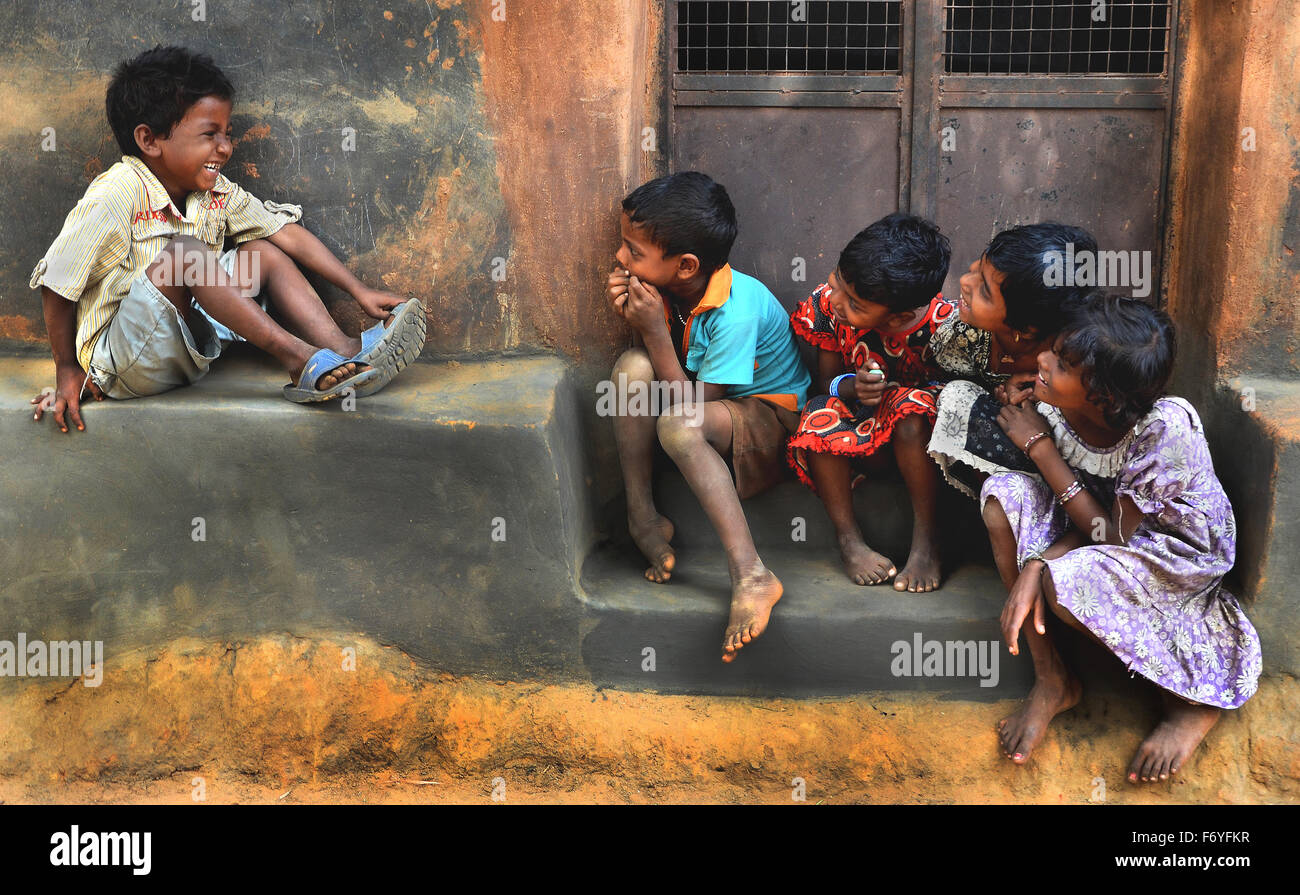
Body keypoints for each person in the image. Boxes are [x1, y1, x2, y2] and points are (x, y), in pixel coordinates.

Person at [30, 45, 424, 431]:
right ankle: (300, 358)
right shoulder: (117, 192)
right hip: (124, 361)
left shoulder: (215, 192)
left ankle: (343, 351)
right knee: (186, 253)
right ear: (150, 140)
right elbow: (58, 280)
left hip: (188, 345)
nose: (225, 147)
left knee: (262, 251)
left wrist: (359, 291)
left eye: (227, 133)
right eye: (209, 134)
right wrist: (66, 368)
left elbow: (283, 231)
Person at [982, 293, 1261, 782]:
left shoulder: (1163, 429)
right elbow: (1088, 519)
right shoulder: (1055, 398)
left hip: (1167, 557)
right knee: (1002, 498)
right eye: (1055, 348)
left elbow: (1112, 539)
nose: (1043, 361)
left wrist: (1041, 450)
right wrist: (1035, 559)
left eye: (1062, 364)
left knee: (1068, 583)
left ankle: (1186, 702)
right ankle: (1052, 679)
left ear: (1103, 398)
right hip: (1096, 524)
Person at [606, 172, 810, 663]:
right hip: (713, 404)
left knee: (678, 425)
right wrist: (644, 330)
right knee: (629, 370)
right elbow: (663, 374)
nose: (620, 259)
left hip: (769, 420)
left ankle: (752, 573)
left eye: (634, 253)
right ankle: (643, 517)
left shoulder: (734, 310)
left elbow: (689, 406)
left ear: (686, 266)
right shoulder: (676, 290)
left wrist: (653, 330)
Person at [786, 213, 953, 592]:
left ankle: (926, 542)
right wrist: (851, 388)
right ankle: (849, 540)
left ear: (899, 317)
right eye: (836, 282)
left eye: (856, 304)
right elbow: (826, 384)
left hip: (917, 451)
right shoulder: (829, 307)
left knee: (912, 409)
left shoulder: (943, 327)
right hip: (857, 441)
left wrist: (897, 395)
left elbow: (953, 398)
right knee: (817, 412)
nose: (839, 302)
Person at [926, 223, 1097, 496]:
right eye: (977, 270)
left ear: (1024, 329)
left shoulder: (1075, 362)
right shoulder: (962, 334)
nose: (965, 282)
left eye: (984, 291)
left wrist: (1037, 400)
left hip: (1058, 479)